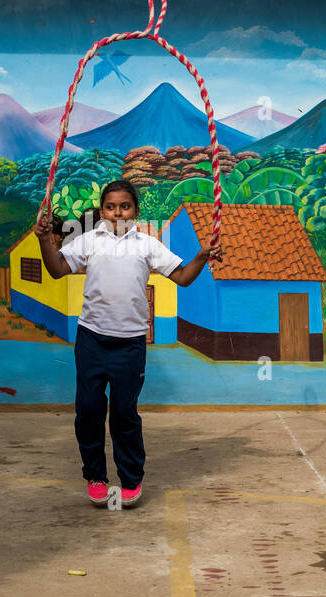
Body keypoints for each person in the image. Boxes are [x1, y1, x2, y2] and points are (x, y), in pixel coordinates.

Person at [34, 180, 220, 508]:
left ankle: (131, 479)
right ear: (102, 211)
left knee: (124, 414)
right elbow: (56, 269)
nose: (118, 212)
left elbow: (183, 277)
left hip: (130, 344)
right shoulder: (89, 240)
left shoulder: (147, 246)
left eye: (125, 206)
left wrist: (202, 256)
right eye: (110, 207)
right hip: (91, 339)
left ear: (136, 210)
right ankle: (95, 476)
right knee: (89, 411)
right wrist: (43, 240)